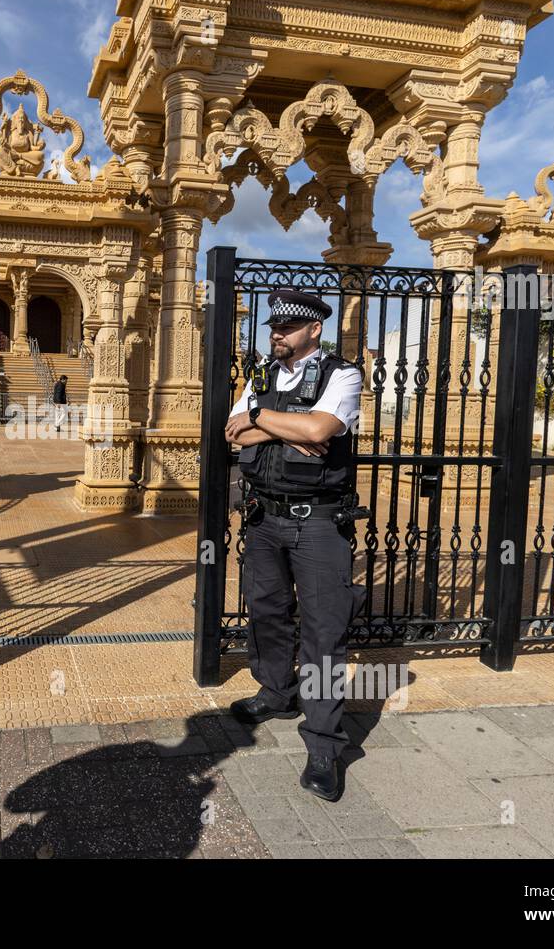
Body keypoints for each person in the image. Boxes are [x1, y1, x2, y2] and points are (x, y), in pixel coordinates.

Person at [222, 288, 366, 802]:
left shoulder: (342, 374)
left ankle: (324, 744)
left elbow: (321, 428)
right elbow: (231, 432)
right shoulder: (259, 376)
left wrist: (260, 419)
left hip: (320, 522)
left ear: (314, 330)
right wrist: (277, 426)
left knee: (325, 632)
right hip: (264, 518)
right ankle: (277, 692)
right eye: (273, 328)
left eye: (287, 327)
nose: (277, 334)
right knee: (267, 611)